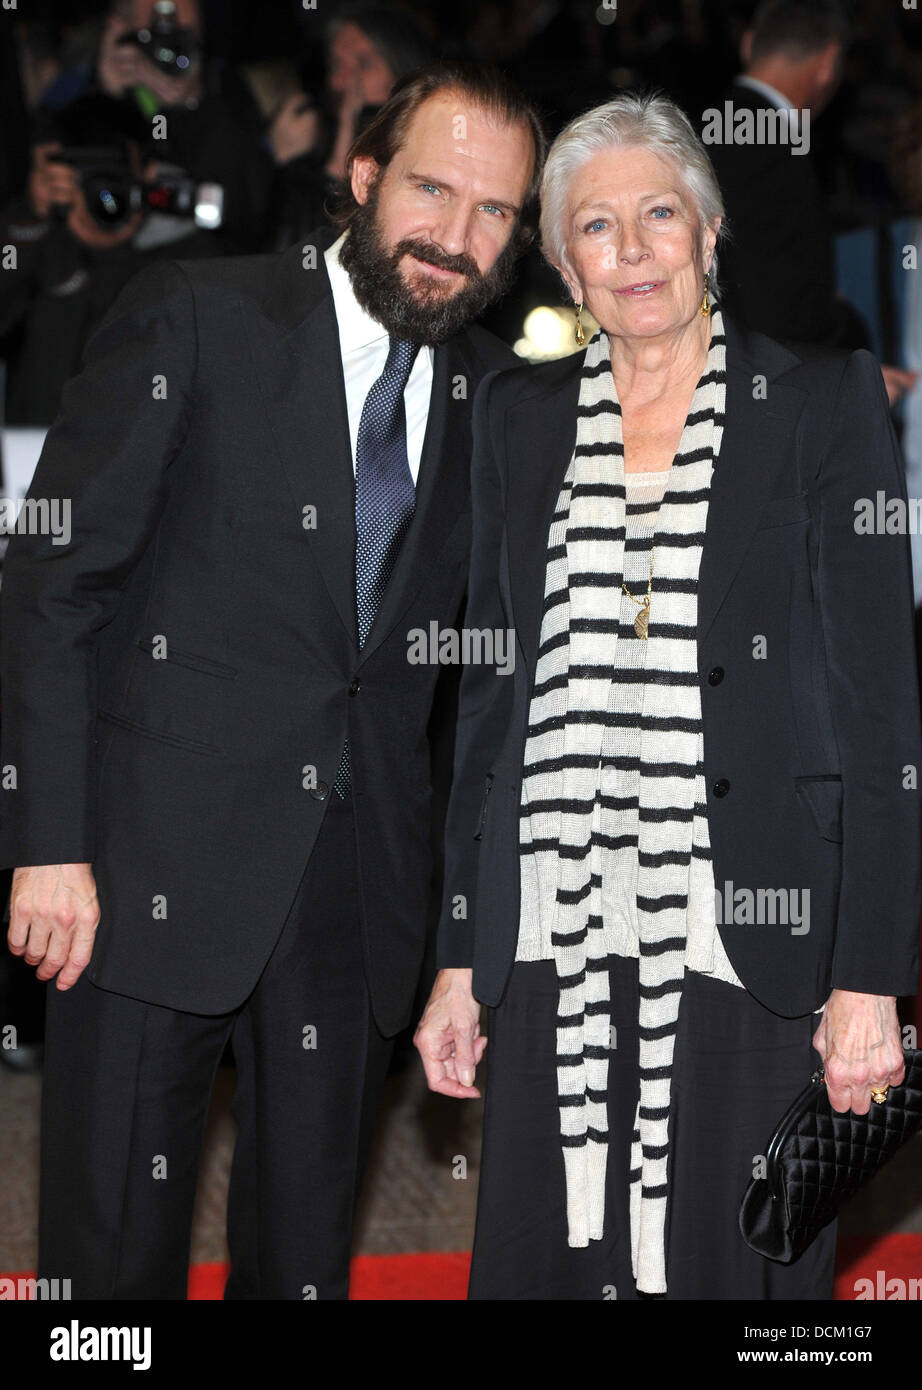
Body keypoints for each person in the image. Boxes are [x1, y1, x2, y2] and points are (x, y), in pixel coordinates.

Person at [1, 60, 544, 1300]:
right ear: (361, 176)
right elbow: (52, 584)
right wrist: (48, 840)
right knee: (110, 1272)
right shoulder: (198, 314)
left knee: (303, 1265)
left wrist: (462, 935)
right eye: (431, 189)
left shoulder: (498, 400)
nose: (455, 240)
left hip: (357, 910)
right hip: (140, 877)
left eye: (495, 212)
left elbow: (484, 702)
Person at [415, 90, 922, 1301]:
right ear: (559, 259)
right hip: (554, 935)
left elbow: (882, 715)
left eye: (659, 215)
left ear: (707, 230)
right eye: (597, 225)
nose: (633, 250)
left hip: (748, 938)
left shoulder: (821, 403)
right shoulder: (516, 421)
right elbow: (492, 706)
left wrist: (870, 979)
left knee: (727, 1276)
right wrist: (457, 958)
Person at [704, 0, 916, 407]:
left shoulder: (710, 125)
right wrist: (842, 370)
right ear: (829, 63)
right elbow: (778, 300)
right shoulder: (773, 146)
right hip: (770, 396)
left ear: (749, 45)